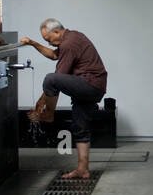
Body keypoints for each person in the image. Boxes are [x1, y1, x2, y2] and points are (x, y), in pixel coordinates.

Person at [19, 19, 108, 180]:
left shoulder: (69, 44)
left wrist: (42, 107)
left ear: (57, 32)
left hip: (89, 84)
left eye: (49, 39)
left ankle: (49, 115)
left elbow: (56, 80)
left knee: (50, 79)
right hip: (92, 86)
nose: (50, 43)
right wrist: (33, 43)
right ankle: (83, 169)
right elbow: (53, 55)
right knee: (80, 127)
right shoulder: (72, 37)